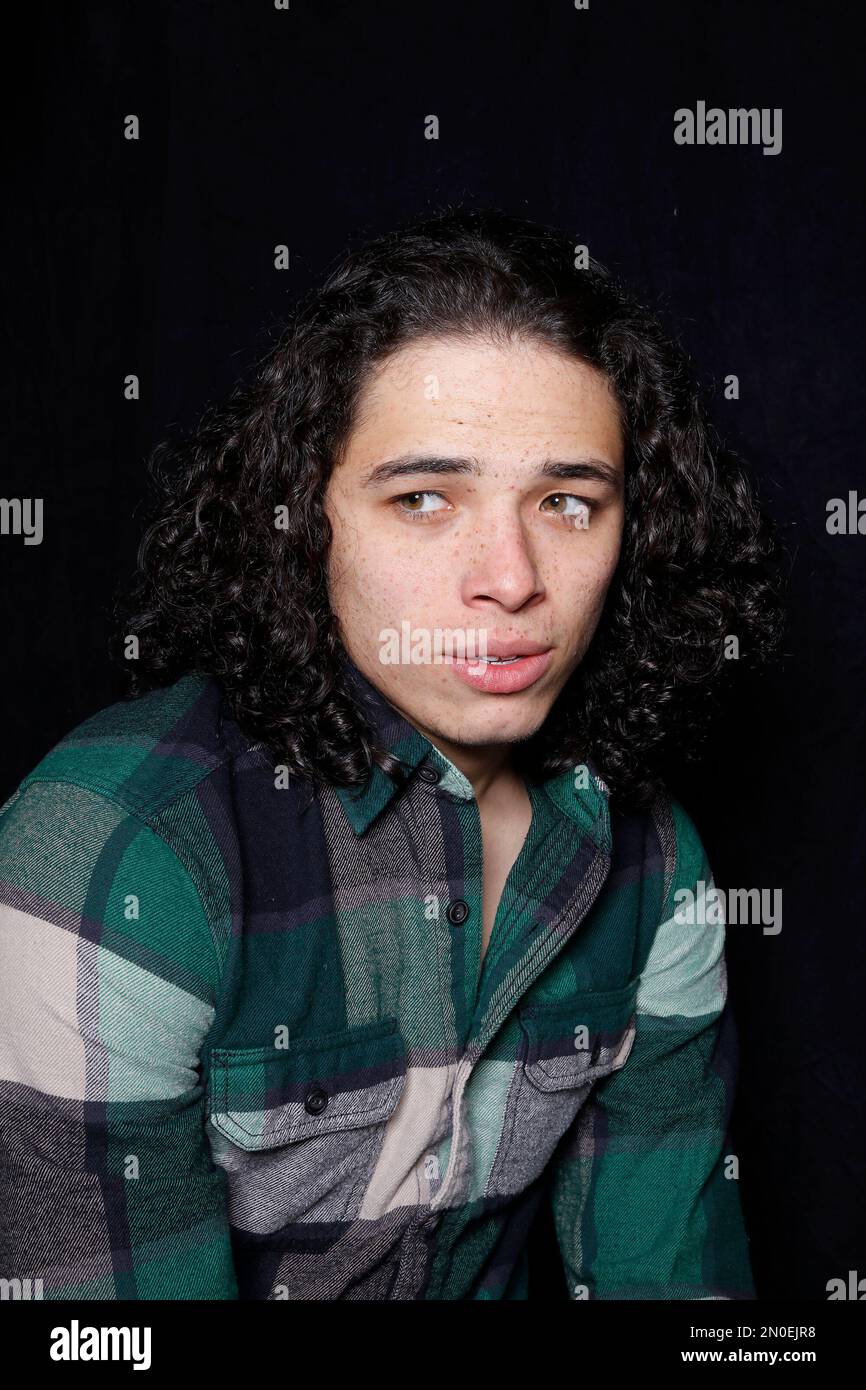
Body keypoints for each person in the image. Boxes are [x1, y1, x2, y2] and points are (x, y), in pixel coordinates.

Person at [0, 206, 782, 1300]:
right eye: (424, 498)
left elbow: (678, 1288)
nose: (508, 577)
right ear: (301, 518)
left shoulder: (651, 858)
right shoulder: (116, 850)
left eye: (566, 502)